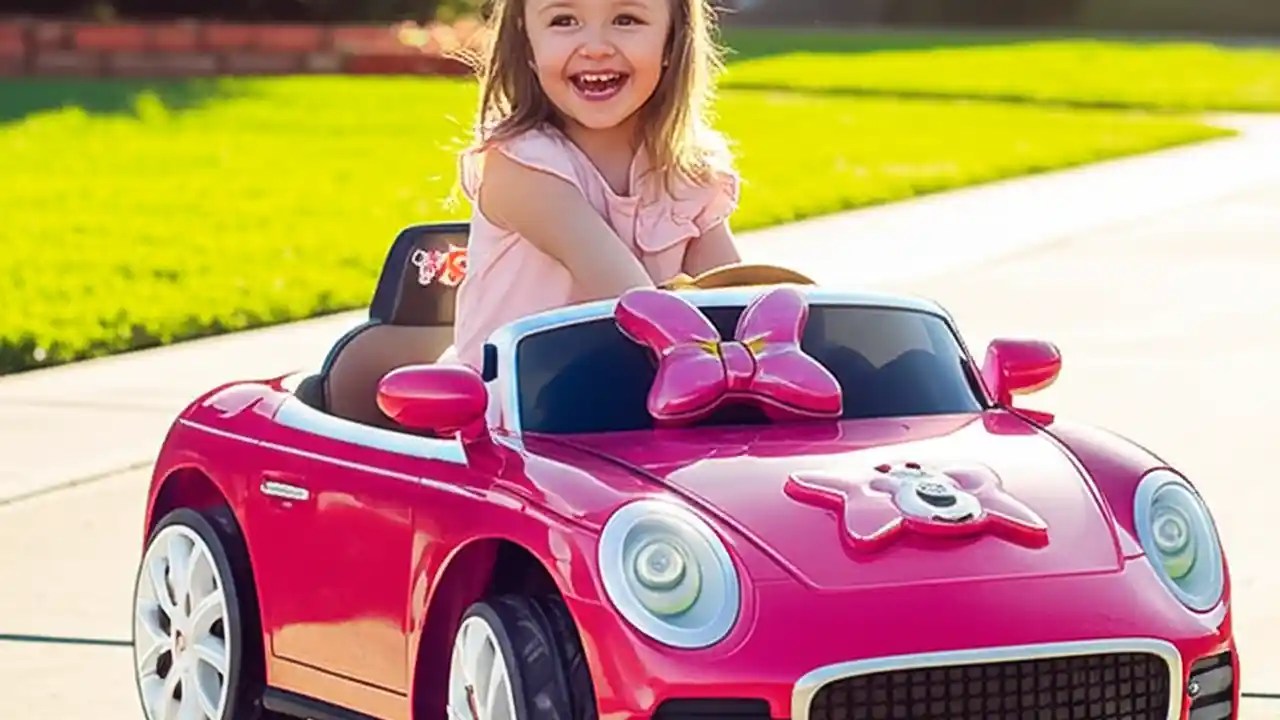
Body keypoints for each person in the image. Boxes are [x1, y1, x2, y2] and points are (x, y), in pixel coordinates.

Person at [450, 0, 744, 372]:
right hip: (521, 411)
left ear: (672, 41)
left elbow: (735, 306)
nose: (596, 47)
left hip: (652, 402)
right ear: (527, 46)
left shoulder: (688, 173)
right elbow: (639, 309)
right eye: (564, 20)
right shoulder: (520, 165)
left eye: (626, 19)